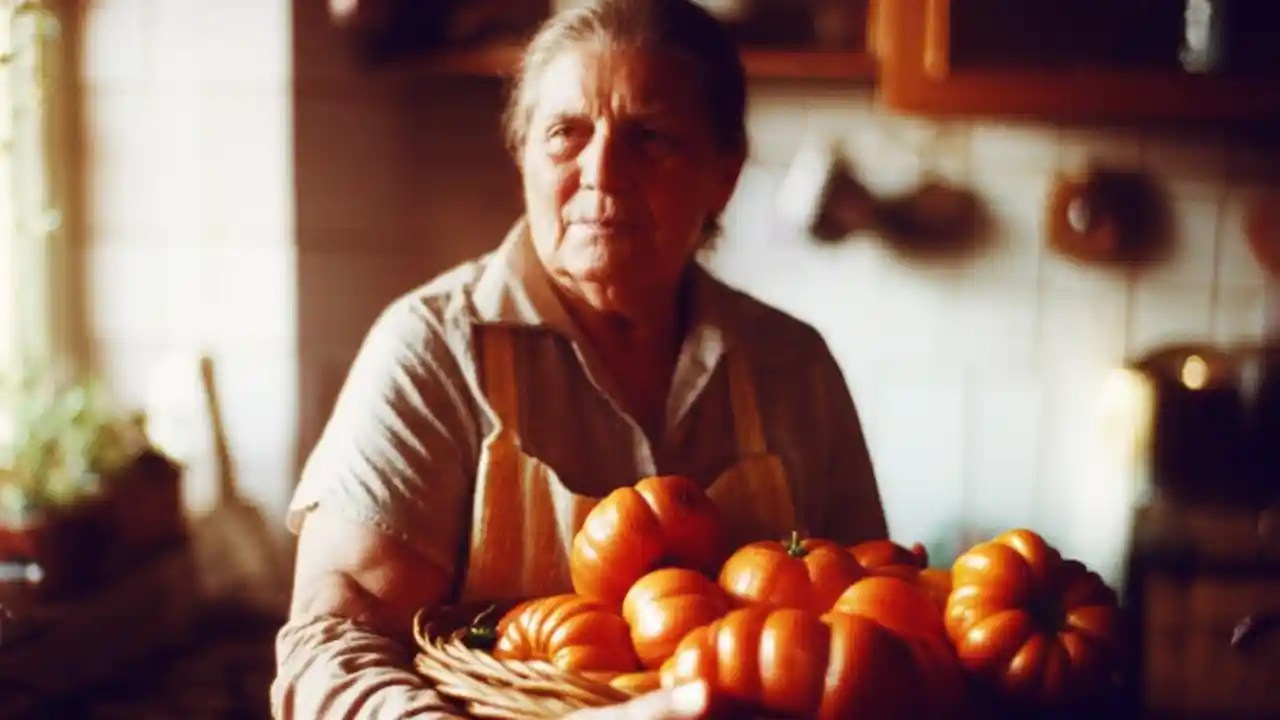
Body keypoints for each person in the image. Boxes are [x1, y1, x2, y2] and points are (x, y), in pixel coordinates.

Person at [270, 0, 887, 717]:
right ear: (522, 153)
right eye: (566, 133)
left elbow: (874, 619)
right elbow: (330, 642)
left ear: (724, 173)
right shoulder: (435, 351)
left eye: (650, 137)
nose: (603, 172)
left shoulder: (793, 367)